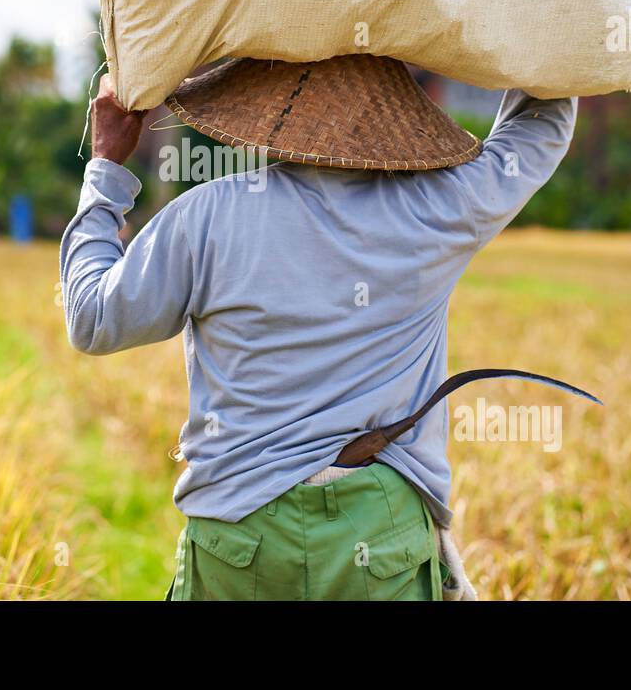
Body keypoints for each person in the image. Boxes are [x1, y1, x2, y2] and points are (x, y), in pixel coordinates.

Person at [59, 54, 577, 600]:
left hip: (239, 538)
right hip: (379, 539)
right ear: (398, 115)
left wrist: (106, 169)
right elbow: (538, 127)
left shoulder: (208, 216)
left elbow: (92, 319)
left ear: (273, 109)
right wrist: (533, 32)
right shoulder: (441, 209)